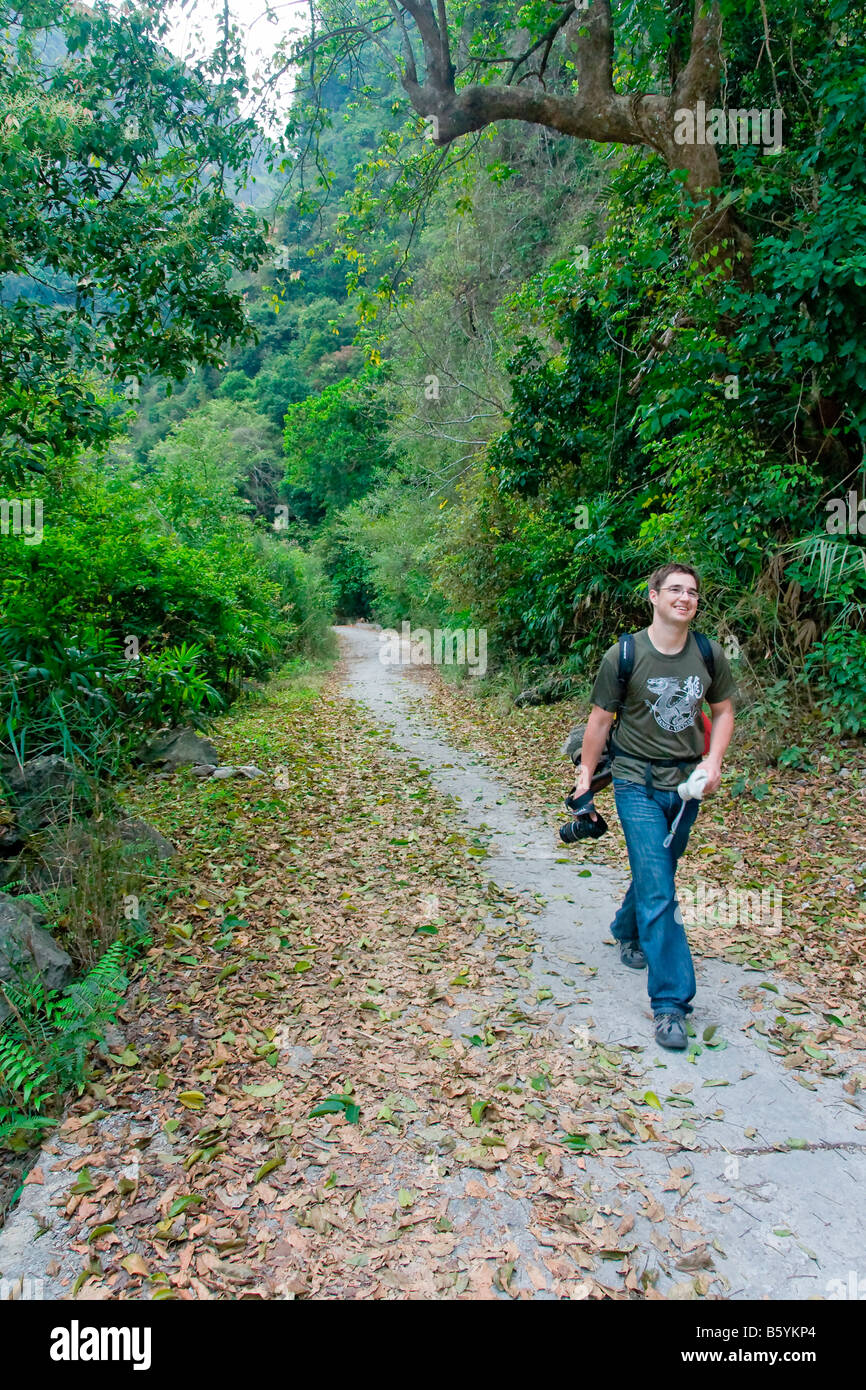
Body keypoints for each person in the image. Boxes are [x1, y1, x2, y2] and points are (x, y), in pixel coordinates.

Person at [574, 564, 737, 1050]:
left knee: (658, 869)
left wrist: (714, 762)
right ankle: (670, 1005)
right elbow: (600, 721)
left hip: (687, 784)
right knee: (661, 887)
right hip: (634, 782)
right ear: (653, 596)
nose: (685, 598)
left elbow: (723, 711)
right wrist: (585, 776)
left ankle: (626, 928)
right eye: (675, 590)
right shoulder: (624, 654)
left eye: (692, 592)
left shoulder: (708, 653)